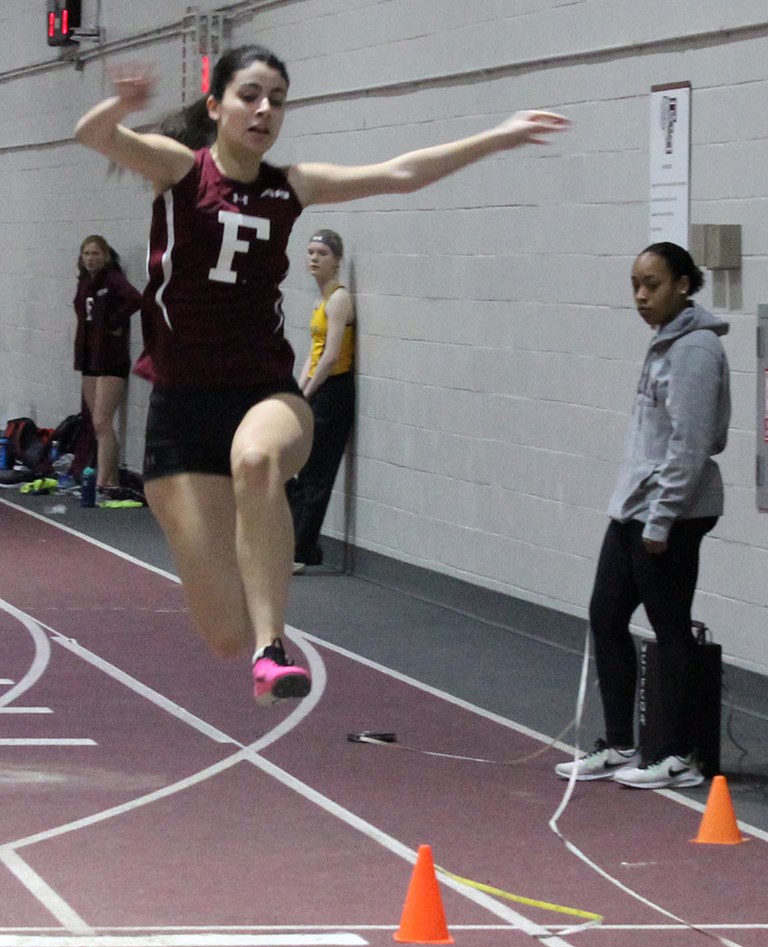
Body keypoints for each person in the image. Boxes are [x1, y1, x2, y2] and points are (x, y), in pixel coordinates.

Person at [73, 45, 567, 705]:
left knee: (256, 462)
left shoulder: (291, 185)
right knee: (221, 633)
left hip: (264, 391)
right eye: (250, 95)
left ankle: (272, 649)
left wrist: (497, 138)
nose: (265, 109)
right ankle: (249, 639)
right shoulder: (178, 170)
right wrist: (124, 106)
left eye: (277, 98)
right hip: (180, 407)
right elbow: (93, 136)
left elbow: (401, 172)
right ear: (217, 105)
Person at [555, 242, 728, 790]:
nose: (641, 295)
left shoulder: (695, 350)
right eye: (634, 284)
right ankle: (619, 743)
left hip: (670, 514)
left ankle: (675, 755)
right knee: (605, 615)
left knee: (669, 625)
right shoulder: (662, 344)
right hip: (634, 506)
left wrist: (662, 517)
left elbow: (692, 443)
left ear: (683, 283)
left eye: (652, 283)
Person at [285, 229, 355, 573]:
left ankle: (300, 550)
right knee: (286, 463)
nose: (314, 258)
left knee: (316, 472)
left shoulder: (340, 299)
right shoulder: (319, 300)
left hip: (334, 390)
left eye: (322, 253)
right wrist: (296, 394)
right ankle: (301, 544)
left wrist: (308, 393)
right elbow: (311, 357)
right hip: (316, 387)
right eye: (311, 252)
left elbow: (329, 358)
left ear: (337, 260)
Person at [74, 234, 142, 500]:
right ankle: (106, 478)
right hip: (89, 357)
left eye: (95, 254)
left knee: (103, 421)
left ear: (106, 256)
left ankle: (106, 482)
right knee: (96, 422)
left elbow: (136, 300)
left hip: (111, 359)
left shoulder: (113, 280)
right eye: (86, 254)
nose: (91, 258)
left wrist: (115, 322)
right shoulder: (84, 283)